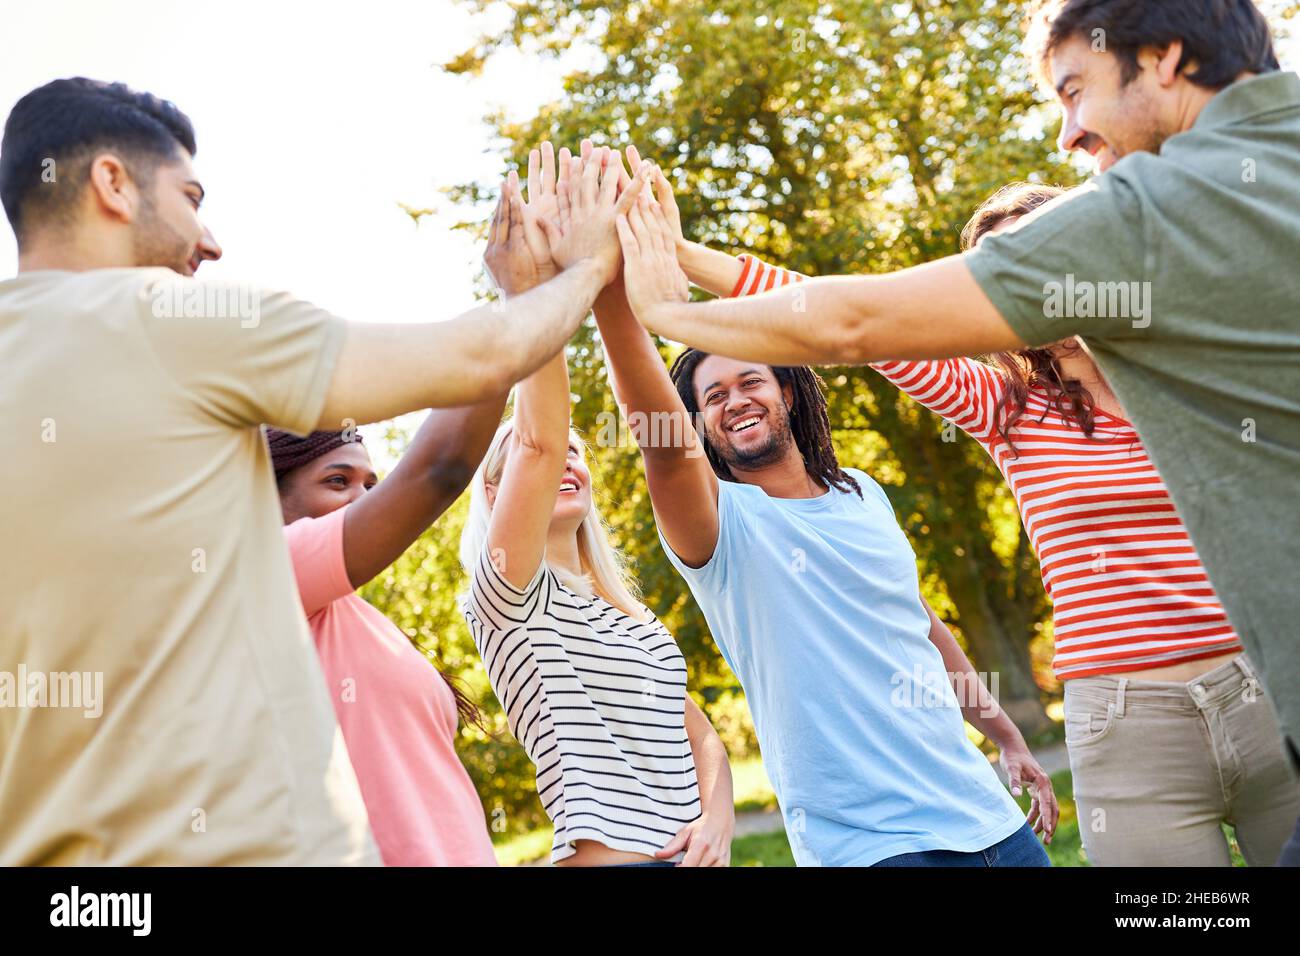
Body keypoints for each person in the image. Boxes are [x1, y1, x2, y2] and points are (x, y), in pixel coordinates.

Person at [613, 0, 1300, 864]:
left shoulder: (1157, 243)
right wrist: (676, 266)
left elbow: (854, 318)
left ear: (1164, 58)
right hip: (1134, 718)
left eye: (1076, 90)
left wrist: (664, 301)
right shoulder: (1011, 404)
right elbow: (856, 322)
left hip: (1262, 690)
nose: (1069, 133)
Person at [0, 77, 645, 864]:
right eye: (190, 197)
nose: (209, 240)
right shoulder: (168, 318)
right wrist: (578, 272)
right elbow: (472, 386)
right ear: (111, 183)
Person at [582, 144, 1056, 867]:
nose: (734, 400)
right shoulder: (716, 529)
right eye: (713, 397)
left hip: (988, 823)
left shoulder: (862, 493)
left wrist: (1006, 735)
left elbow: (919, 624)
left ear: (790, 390)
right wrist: (613, 292)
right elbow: (660, 440)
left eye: (750, 382)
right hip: (869, 849)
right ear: (701, 422)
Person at [459, 144, 734, 867]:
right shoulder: (505, 594)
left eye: (585, 451)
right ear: (497, 493)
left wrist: (717, 822)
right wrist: (541, 289)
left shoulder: (631, 614)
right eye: (550, 456)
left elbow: (703, 738)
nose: (569, 458)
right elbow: (540, 443)